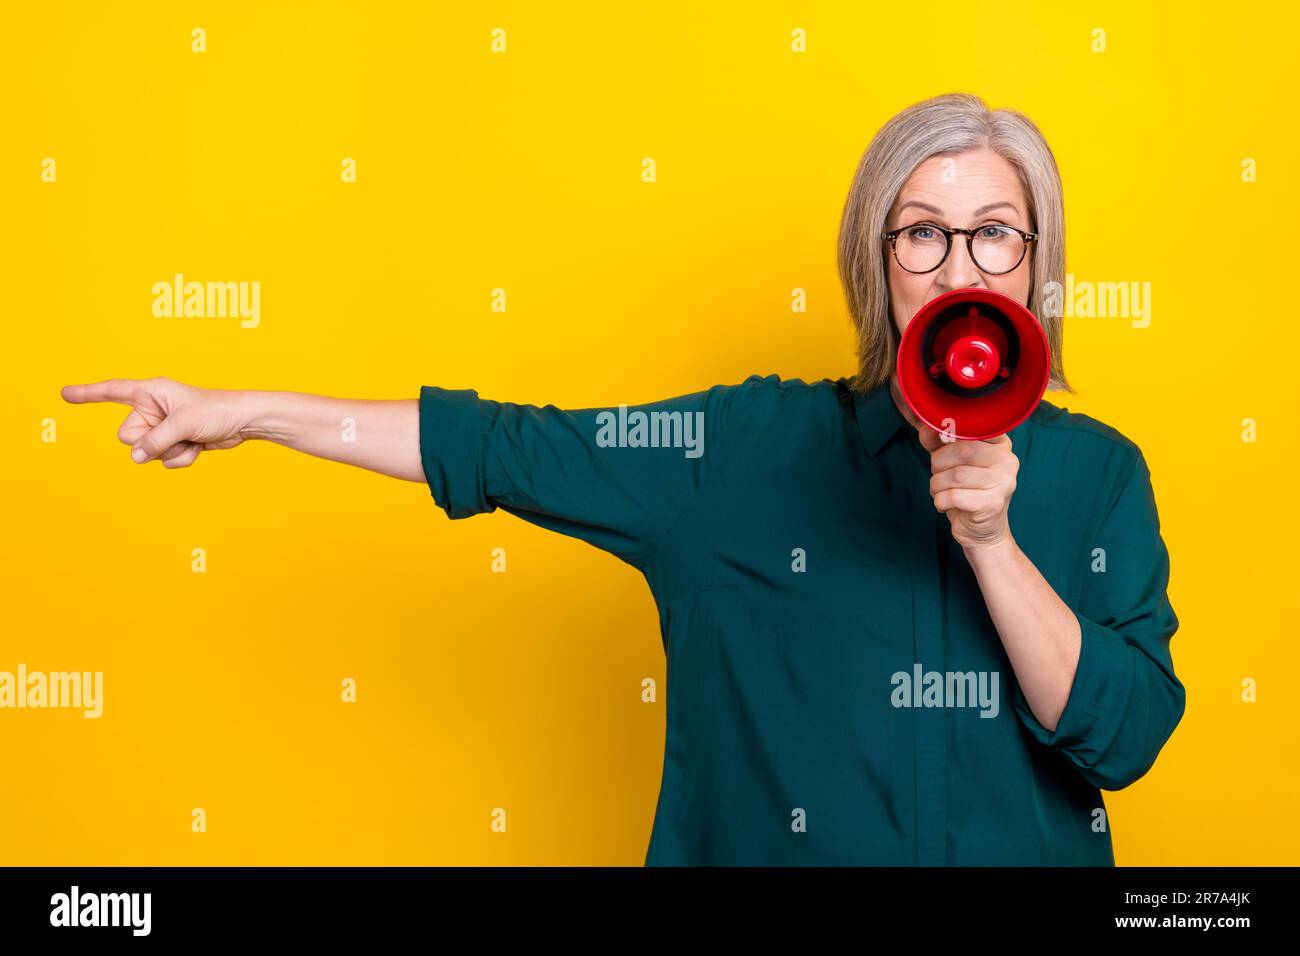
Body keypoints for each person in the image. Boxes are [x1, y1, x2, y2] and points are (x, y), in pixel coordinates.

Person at [61, 92, 1184, 866]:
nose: (955, 266)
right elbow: (499, 445)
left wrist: (991, 540)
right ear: (873, 265)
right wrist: (248, 411)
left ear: (1037, 268)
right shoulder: (744, 453)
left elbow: (1122, 738)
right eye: (919, 234)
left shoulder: (1096, 476)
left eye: (994, 233)